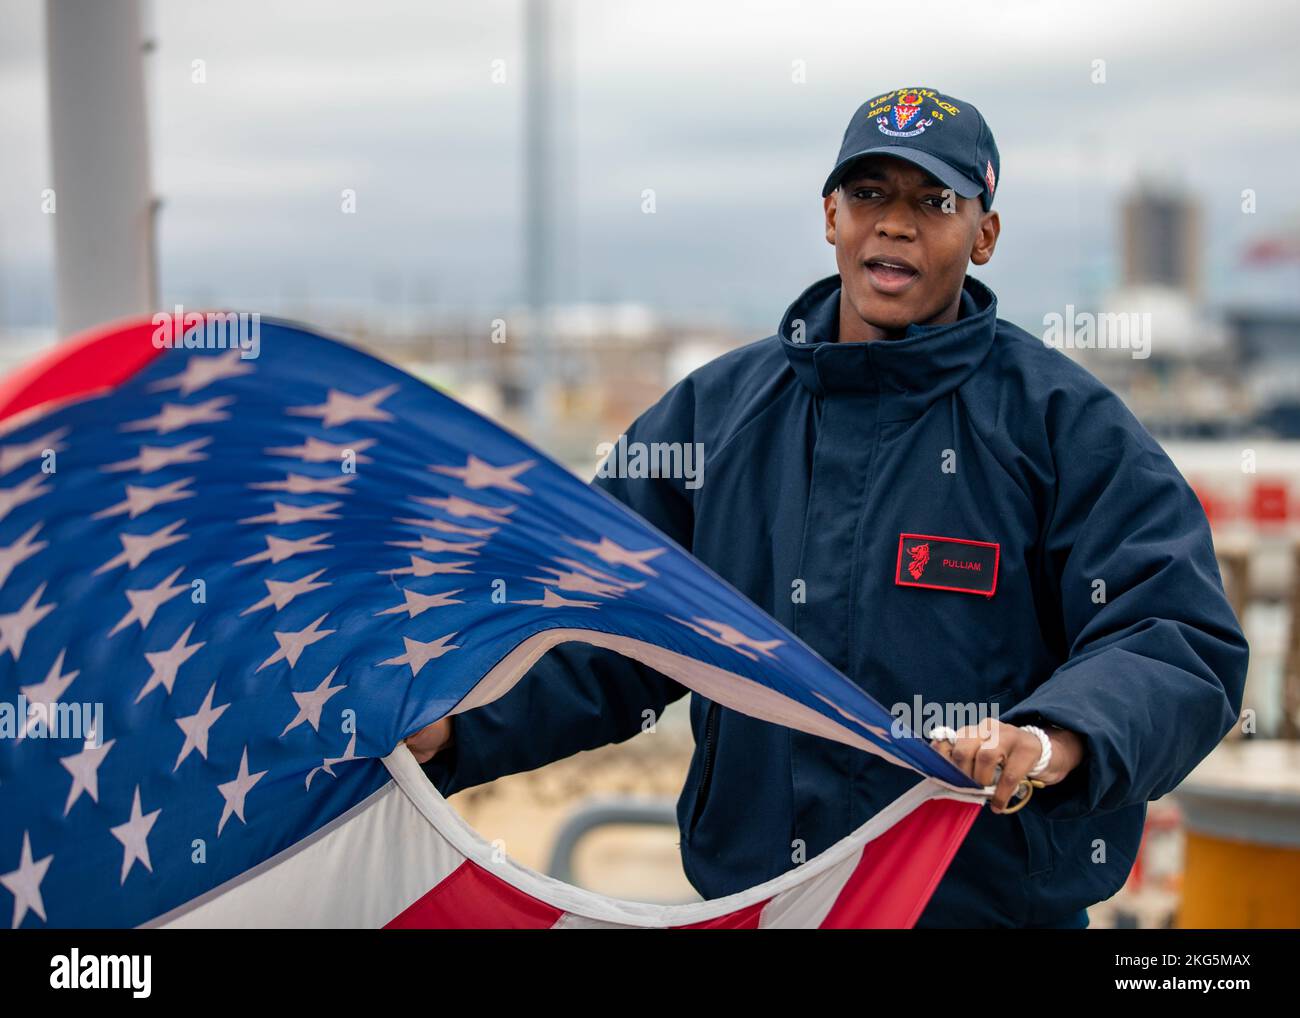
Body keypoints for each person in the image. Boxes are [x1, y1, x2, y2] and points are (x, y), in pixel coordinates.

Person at [406, 86, 1249, 928]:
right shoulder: (712, 420)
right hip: (759, 907)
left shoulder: (1063, 425)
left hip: (985, 911)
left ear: (984, 235)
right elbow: (600, 624)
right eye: (870, 193)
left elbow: (1174, 635)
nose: (895, 223)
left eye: (935, 201)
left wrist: (1052, 737)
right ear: (830, 215)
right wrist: (455, 726)